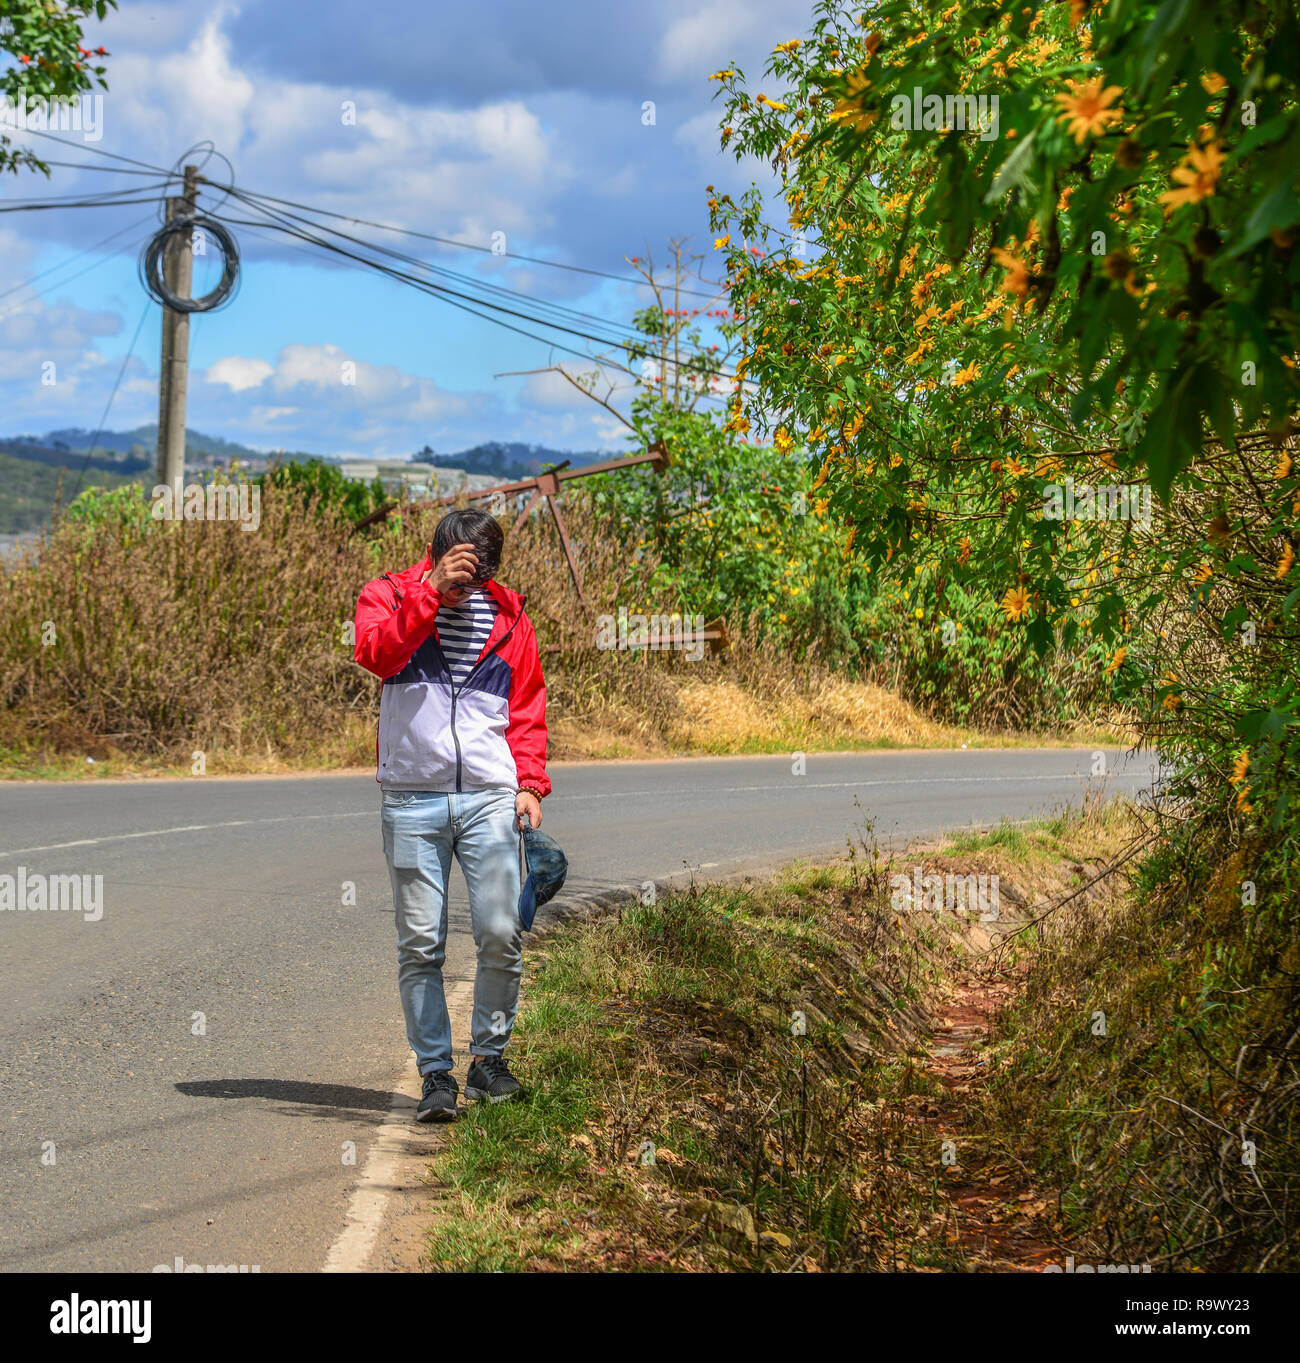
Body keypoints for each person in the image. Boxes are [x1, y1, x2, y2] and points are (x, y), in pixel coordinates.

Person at [353, 509, 549, 1120]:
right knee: (421, 943)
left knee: (500, 931)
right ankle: (435, 1076)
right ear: (437, 550)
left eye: (484, 564)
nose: (474, 575)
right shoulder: (387, 594)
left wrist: (530, 785)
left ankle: (489, 1062)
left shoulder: (512, 615)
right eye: (463, 560)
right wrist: (431, 594)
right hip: (413, 797)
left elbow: (526, 707)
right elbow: (376, 655)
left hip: (490, 794)